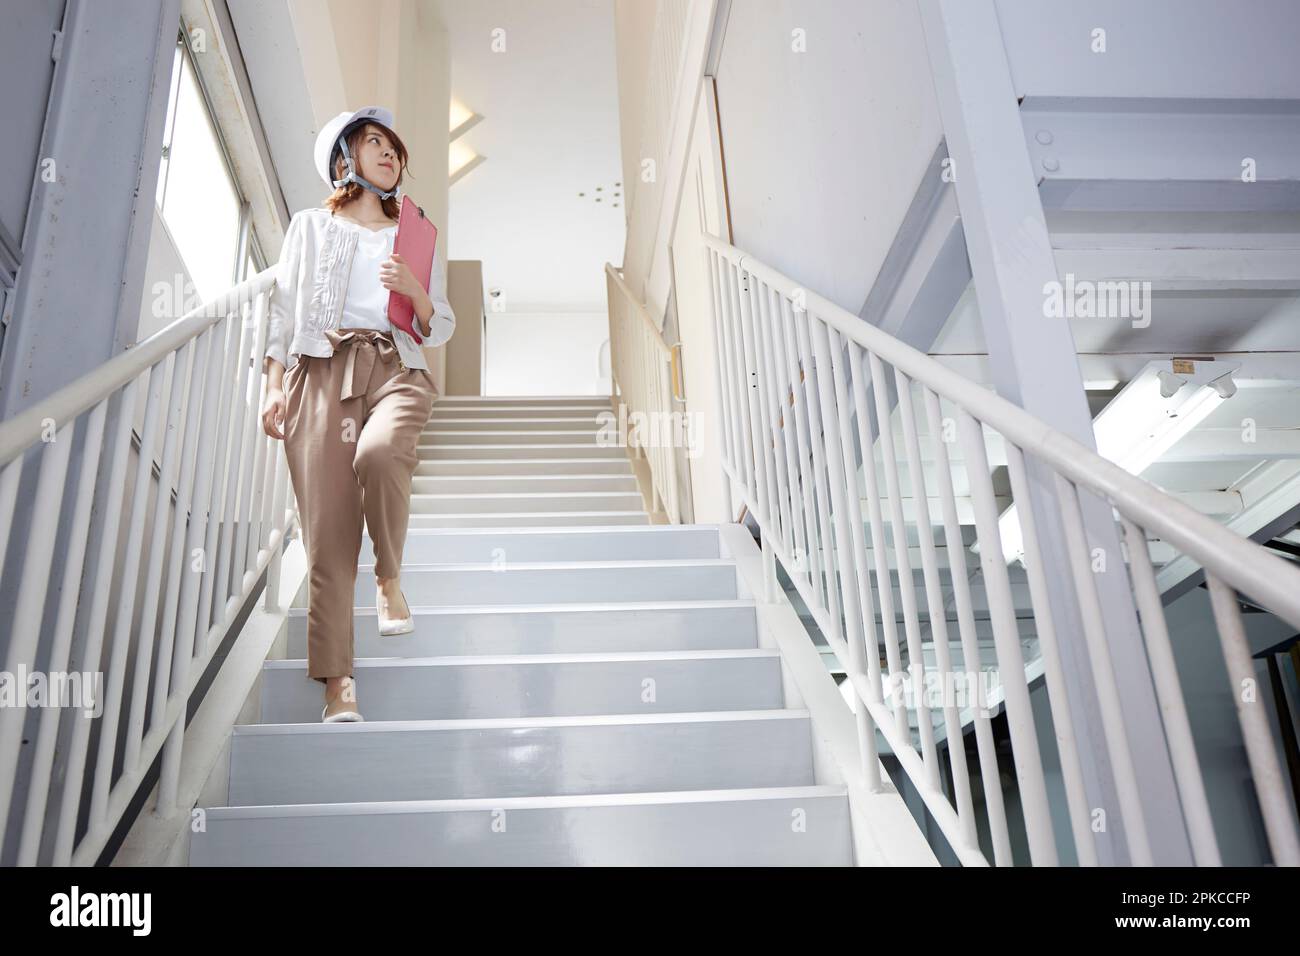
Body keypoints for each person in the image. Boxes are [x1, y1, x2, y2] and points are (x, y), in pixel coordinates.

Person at [259, 106, 455, 723]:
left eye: (394, 146)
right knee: (329, 537)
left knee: (380, 451)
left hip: (396, 367)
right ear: (346, 157)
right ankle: (337, 683)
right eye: (375, 142)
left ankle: (389, 579)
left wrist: (416, 290)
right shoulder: (310, 227)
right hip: (319, 373)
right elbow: (282, 309)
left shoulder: (417, 233)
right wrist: (271, 386)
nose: (390, 153)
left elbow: (439, 323)